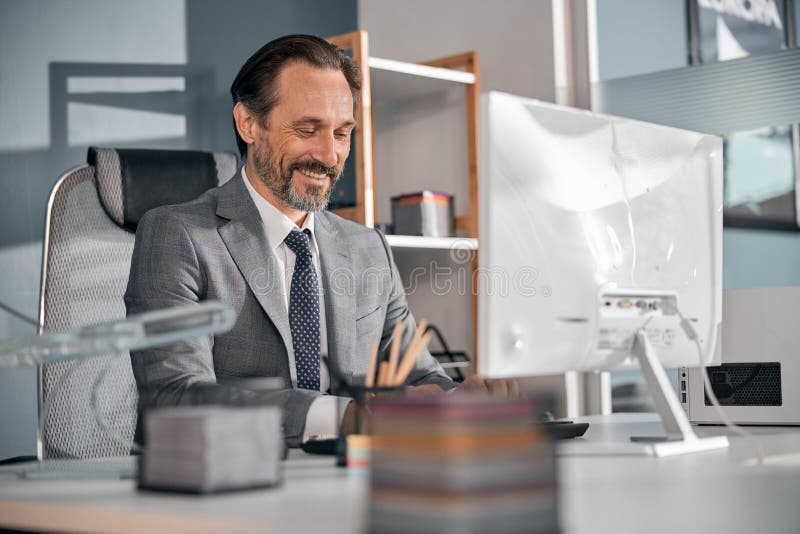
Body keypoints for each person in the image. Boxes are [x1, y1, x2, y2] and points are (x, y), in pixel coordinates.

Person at [126, 34, 516, 447]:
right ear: (249, 124)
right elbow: (176, 396)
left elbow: (418, 378)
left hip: (352, 475)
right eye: (307, 129)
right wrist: (347, 417)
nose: (330, 156)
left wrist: (458, 400)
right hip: (230, 474)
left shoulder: (369, 249)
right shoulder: (179, 235)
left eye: (342, 133)